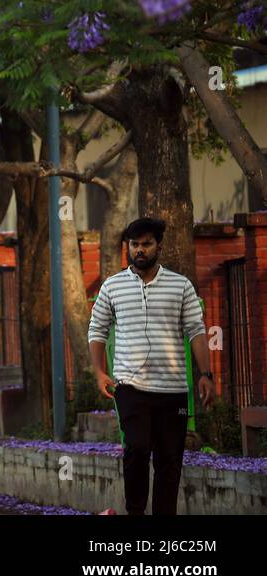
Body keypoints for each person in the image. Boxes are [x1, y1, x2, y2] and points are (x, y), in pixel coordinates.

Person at [88, 216, 214, 515]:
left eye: (146, 244)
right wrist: (99, 371)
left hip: (173, 390)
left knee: (170, 460)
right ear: (128, 247)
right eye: (134, 245)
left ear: (159, 246)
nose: (140, 250)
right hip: (130, 387)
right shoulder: (112, 286)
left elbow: (196, 330)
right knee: (137, 449)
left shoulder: (180, 285)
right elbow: (97, 329)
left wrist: (205, 374)